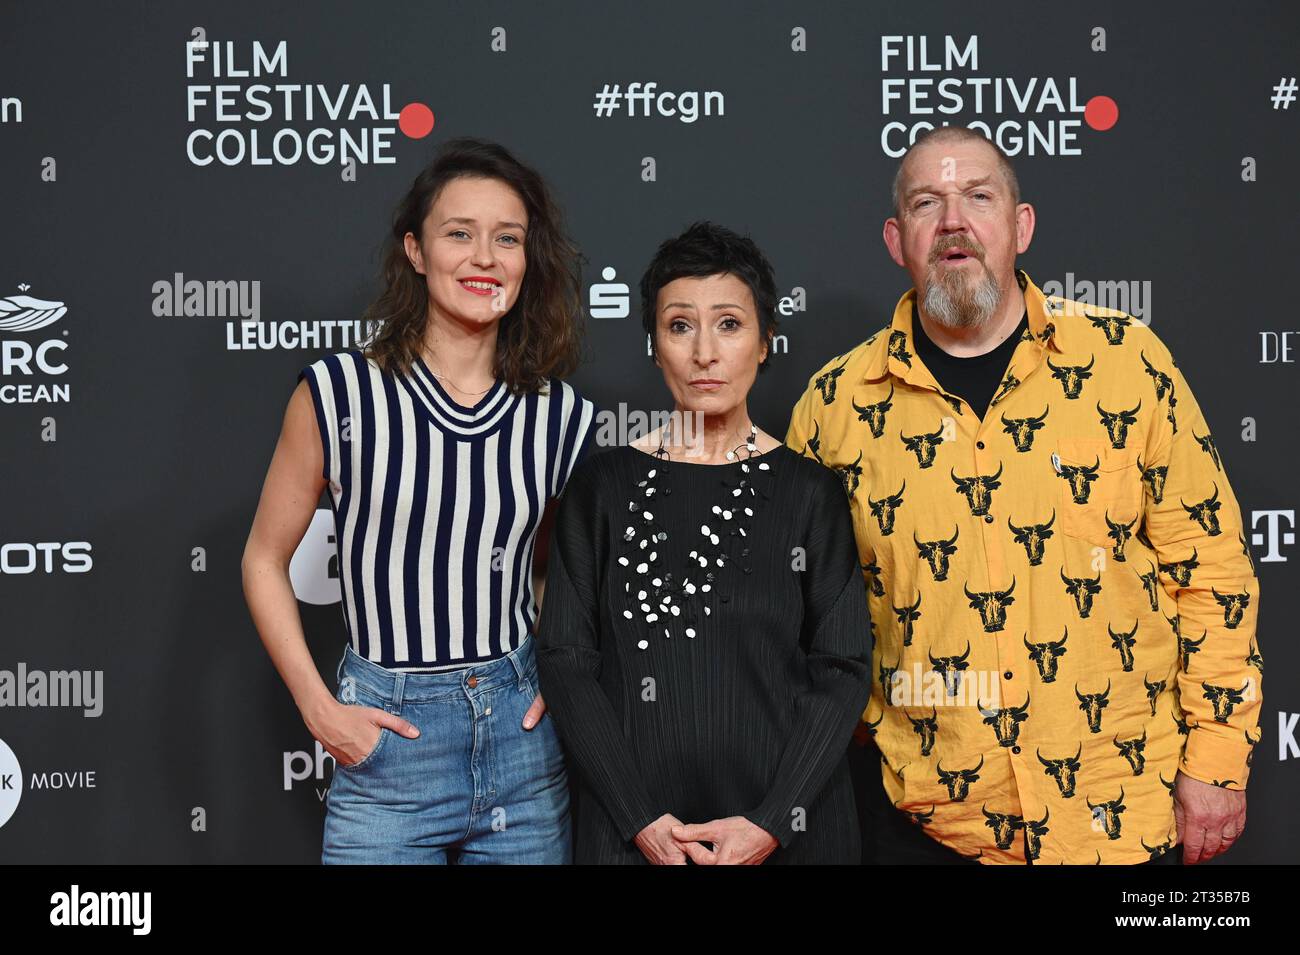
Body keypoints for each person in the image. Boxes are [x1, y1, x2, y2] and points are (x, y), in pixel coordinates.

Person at [786, 126, 1261, 865]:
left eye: (979, 196)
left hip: (1119, 812)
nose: (953, 220)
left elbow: (1211, 568)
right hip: (925, 823)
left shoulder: (1128, 363)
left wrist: (1219, 757)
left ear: (1021, 225)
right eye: (926, 202)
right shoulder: (834, 405)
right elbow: (800, 615)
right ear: (894, 238)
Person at [241, 137, 598, 863]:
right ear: (415, 249)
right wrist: (319, 707)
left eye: (508, 238)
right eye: (458, 234)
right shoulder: (338, 392)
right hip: (386, 745)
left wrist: (560, 680)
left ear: (529, 260)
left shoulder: (560, 415)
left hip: (523, 749)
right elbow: (262, 558)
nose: (485, 257)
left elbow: (556, 571)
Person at [534, 221, 872, 864]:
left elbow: (843, 667)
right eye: (680, 325)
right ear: (654, 345)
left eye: (729, 324)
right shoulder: (603, 487)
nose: (704, 353)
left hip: (788, 836)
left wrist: (771, 822)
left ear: (766, 341)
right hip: (632, 835)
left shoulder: (810, 494)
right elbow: (567, 660)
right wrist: (640, 820)